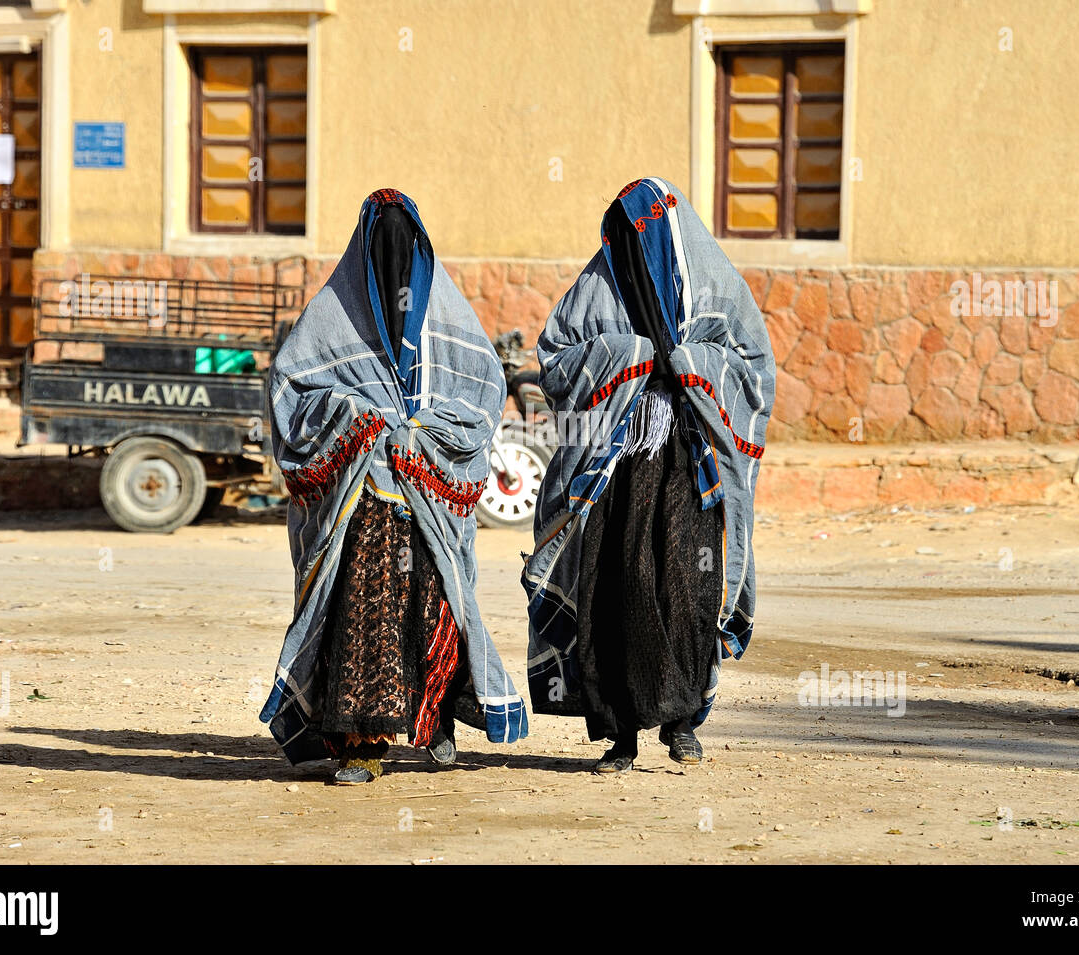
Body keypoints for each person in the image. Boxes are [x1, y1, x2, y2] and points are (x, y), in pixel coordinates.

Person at [259, 188, 528, 784]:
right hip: (362, 505)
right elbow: (290, 390)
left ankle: (440, 724)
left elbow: (482, 397)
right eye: (382, 247)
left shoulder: (450, 322)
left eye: (404, 249)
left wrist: (426, 432)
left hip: (429, 504)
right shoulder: (333, 317)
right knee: (364, 618)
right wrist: (356, 414)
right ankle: (362, 745)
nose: (394, 262)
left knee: (440, 610)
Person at [523, 177, 774, 774]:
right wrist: (630, 357)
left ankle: (684, 720)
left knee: (688, 588)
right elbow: (556, 357)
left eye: (647, 238)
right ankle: (622, 734)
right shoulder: (598, 285)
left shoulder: (715, 286)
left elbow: (754, 366)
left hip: (692, 468)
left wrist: (690, 365)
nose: (637, 250)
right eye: (628, 238)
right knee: (615, 592)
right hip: (615, 468)